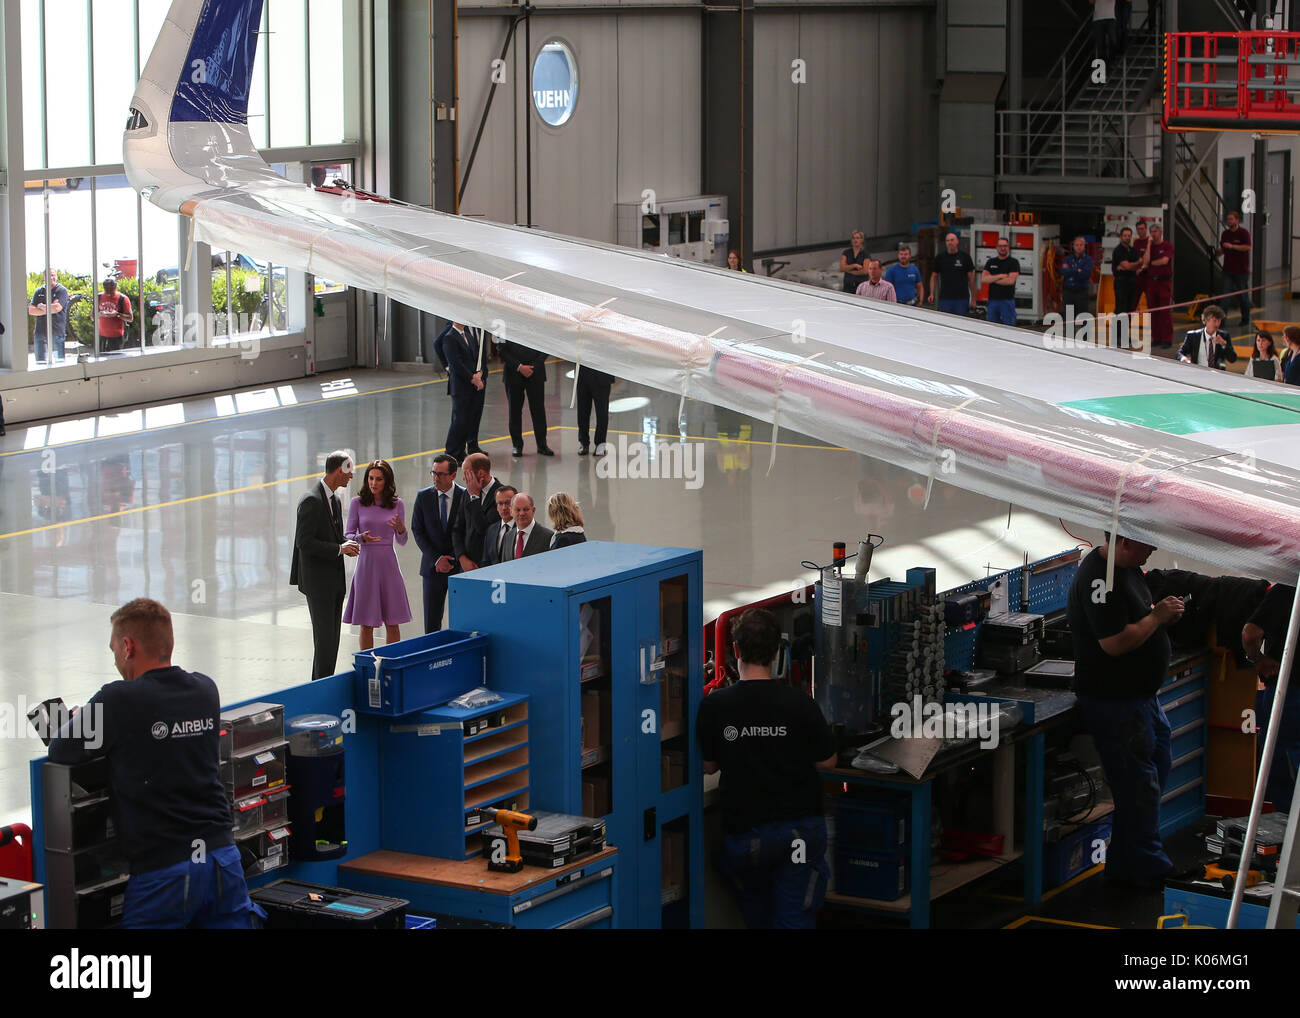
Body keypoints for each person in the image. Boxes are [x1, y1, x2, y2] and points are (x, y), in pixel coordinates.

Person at [49, 599, 259, 929]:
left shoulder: (118, 699)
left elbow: (61, 749)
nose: (116, 659)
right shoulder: (205, 689)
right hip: (221, 859)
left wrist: (81, 718)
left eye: (114, 650)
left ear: (128, 646)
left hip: (166, 871)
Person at [695, 608, 837, 928]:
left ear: (735, 651)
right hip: (797, 834)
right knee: (793, 918)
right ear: (776, 653)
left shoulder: (715, 705)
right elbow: (827, 761)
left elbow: (708, 765)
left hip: (746, 839)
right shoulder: (800, 702)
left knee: (754, 912)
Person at [1066, 533, 1185, 887]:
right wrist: (1158, 617)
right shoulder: (1100, 578)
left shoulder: (1130, 569)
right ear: (1125, 542)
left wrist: (1157, 615)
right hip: (1115, 701)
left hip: (1141, 698)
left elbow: (1134, 618)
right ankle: (1149, 870)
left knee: (1153, 772)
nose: (1154, 549)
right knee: (1138, 786)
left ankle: (1125, 863)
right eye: (1147, 544)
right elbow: (1114, 643)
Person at [291, 450, 359, 680]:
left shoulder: (334, 500)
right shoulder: (312, 501)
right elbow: (304, 541)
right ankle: (319, 686)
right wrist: (339, 549)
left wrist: (350, 543)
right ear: (340, 470)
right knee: (324, 643)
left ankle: (322, 683)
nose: (350, 478)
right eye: (348, 473)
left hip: (333, 583)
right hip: (319, 584)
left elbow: (334, 537)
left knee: (332, 643)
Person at [342, 459, 412, 650]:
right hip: (366, 566)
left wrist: (401, 528)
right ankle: (367, 666)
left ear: (387, 481)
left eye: (378, 479)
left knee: (393, 621)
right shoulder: (357, 503)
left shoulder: (398, 504)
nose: (373, 483)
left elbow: (402, 541)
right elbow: (347, 535)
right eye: (371, 478)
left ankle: (390, 664)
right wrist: (360, 538)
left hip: (389, 566)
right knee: (366, 623)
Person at [1242, 585, 1300, 809]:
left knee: (1285, 763)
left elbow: (1250, 634)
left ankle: (1289, 830)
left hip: (1290, 693)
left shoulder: (1287, 589)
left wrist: (1257, 659)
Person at [410, 454, 465, 633]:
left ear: (453, 475)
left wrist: (455, 558)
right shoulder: (423, 497)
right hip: (432, 568)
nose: (435, 478)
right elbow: (417, 531)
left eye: (440, 474)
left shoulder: (465, 497)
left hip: (459, 569)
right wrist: (437, 559)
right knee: (431, 623)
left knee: (462, 620)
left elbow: (469, 533)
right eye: (433, 473)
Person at [439, 321, 486, 461]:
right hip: (460, 387)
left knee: (467, 420)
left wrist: (479, 374)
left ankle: (460, 451)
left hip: (471, 384)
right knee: (458, 421)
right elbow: (456, 364)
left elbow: (475, 358)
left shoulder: (467, 335)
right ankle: (451, 451)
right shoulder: (449, 337)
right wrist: (473, 378)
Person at [452, 452, 506, 571]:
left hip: (488, 567)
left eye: (466, 473)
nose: (463, 478)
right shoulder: (468, 493)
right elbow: (457, 528)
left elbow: (484, 529)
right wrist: (461, 558)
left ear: (480, 473)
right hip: (465, 566)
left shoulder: (502, 496)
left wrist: (475, 497)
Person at [501, 339, 553, 457]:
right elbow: (501, 350)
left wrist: (534, 366)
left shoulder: (539, 322)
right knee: (514, 411)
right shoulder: (505, 324)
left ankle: (542, 444)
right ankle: (517, 445)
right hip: (513, 373)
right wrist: (519, 367)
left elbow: (546, 345)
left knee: (538, 411)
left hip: (535, 373)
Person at [1142, 222, 1174, 348]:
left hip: (1164, 281)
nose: (1153, 234)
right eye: (1152, 232)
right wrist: (1149, 245)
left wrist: (1152, 263)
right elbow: (1145, 261)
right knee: (1153, 310)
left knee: (1164, 311)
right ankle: (1156, 337)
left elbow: (1164, 261)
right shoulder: (1149, 246)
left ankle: (1167, 338)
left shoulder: (1167, 245)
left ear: (1160, 233)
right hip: (1151, 281)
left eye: (1156, 231)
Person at [928, 232, 975, 317]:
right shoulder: (940, 257)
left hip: (961, 298)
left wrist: (974, 299)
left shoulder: (965, 257)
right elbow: (934, 276)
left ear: (957, 241)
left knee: (961, 323)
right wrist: (932, 293)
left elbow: (971, 278)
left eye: (952, 240)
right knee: (945, 323)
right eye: (947, 241)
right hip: (945, 298)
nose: (950, 242)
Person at [1177, 304, 1238, 370]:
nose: (1217, 324)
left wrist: (1224, 344)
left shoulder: (1224, 336)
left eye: (1219, 321)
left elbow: (1232, 359)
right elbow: (1179, 353)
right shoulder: (1193, 336)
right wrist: (1184, 359)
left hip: (1217, 376)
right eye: (1214, 321)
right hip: (1197, 373)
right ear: (1205, 320)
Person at [1220, 211, 1253, 330]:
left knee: (1243, 296)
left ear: (1237, 220)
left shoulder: (1244, 233)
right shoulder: (1225, 234)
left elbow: (1248, 246)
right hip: (1227, 270)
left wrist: (1233, 246)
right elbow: (1223, 248)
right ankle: (1222, 320)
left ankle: (1245, 318)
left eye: (1231, 219)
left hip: (1241, 271)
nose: (1229, 221)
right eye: (1228, 219)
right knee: (1225, 296)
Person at [29, 268, 69, 365]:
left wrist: (42, 306)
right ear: (44, 277)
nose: (51, 277)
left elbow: (57, 308)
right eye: (48, 275)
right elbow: (31, 310)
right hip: (40, 333)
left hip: (57, 333)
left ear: (56, 276)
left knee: (59, 364)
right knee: (40, 363)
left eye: (53, 275)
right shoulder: (38, 291)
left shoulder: (62, 291)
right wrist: (49, 308)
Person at [980, 237, 1021, 327]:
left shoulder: (1013, 262)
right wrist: (1000, 276)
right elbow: (983, 279)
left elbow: (1010, 281)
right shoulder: (991, 262)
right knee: (992, 328)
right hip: (992, 301)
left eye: (1005, 246)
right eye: (1000, 246)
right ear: (996, 247)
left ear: (1008, 247)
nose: (1003, 248)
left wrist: (992, 279)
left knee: (1009, 327)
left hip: (1007, 301)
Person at [576, 364, 615, 456]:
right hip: (583, 373)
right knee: (582, 411)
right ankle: (583, 442)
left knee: (602, 412)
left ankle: (600, 444)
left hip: (602, 374)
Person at [504, 492, 554, 559]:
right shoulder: (507, 537)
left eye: (526, 509)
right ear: (511, 512)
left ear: (533, 510)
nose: (522, 513)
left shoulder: (548, 536)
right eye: (517, 510)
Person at [481, 484, 519, 566]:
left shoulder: (523, 528)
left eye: (508, 503)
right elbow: (485, 561)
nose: (504, 508)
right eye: (500, 503)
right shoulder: (491, 530)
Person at [1061, 236, 1095, 327]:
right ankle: (1069, 339)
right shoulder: (1068, 259)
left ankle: (1084, 339)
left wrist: (1071, 271)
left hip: (1081, 291)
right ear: (1073, 246)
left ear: (1084, 246)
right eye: (1077, 245)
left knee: (1084, 317)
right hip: (1068, 291)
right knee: (1068, 317)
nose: (1079, 247)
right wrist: (1077, 270)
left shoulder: (1088, 260)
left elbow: (1085, 274)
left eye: (1081, 245)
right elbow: (1063, 271)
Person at [97, 278, 134, 354]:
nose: (109, 292)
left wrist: (117, 314)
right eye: (106, 290)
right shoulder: (99, 297)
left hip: (117, 336)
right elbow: (92, 316)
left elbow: (130, 318)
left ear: (115, 288)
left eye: (111, 290)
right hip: (101, 335)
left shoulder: (122, 299)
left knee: (115, 360)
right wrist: (99, 314)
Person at [1111, 226, 1140, 317]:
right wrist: (1135, 264)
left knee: (1130, 309)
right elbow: (1128, 266)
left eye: (1129, 235)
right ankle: (1118, 331)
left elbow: (1139, 265)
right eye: (1125, 235)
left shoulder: (1133, 250)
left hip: (1132, 282)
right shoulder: (1118, 250)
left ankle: (1126, 329)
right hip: (1121, 282)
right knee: (1121, 309)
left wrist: (1133, 265)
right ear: (1121, 237)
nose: (1127, 237)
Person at [1092, 0, 1117, 64]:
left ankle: (1112, 59)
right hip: (1098, 18)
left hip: (1110, 17)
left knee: (1113, 40)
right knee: (1100, 43)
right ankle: (1104, 63)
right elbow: (1091, 1)